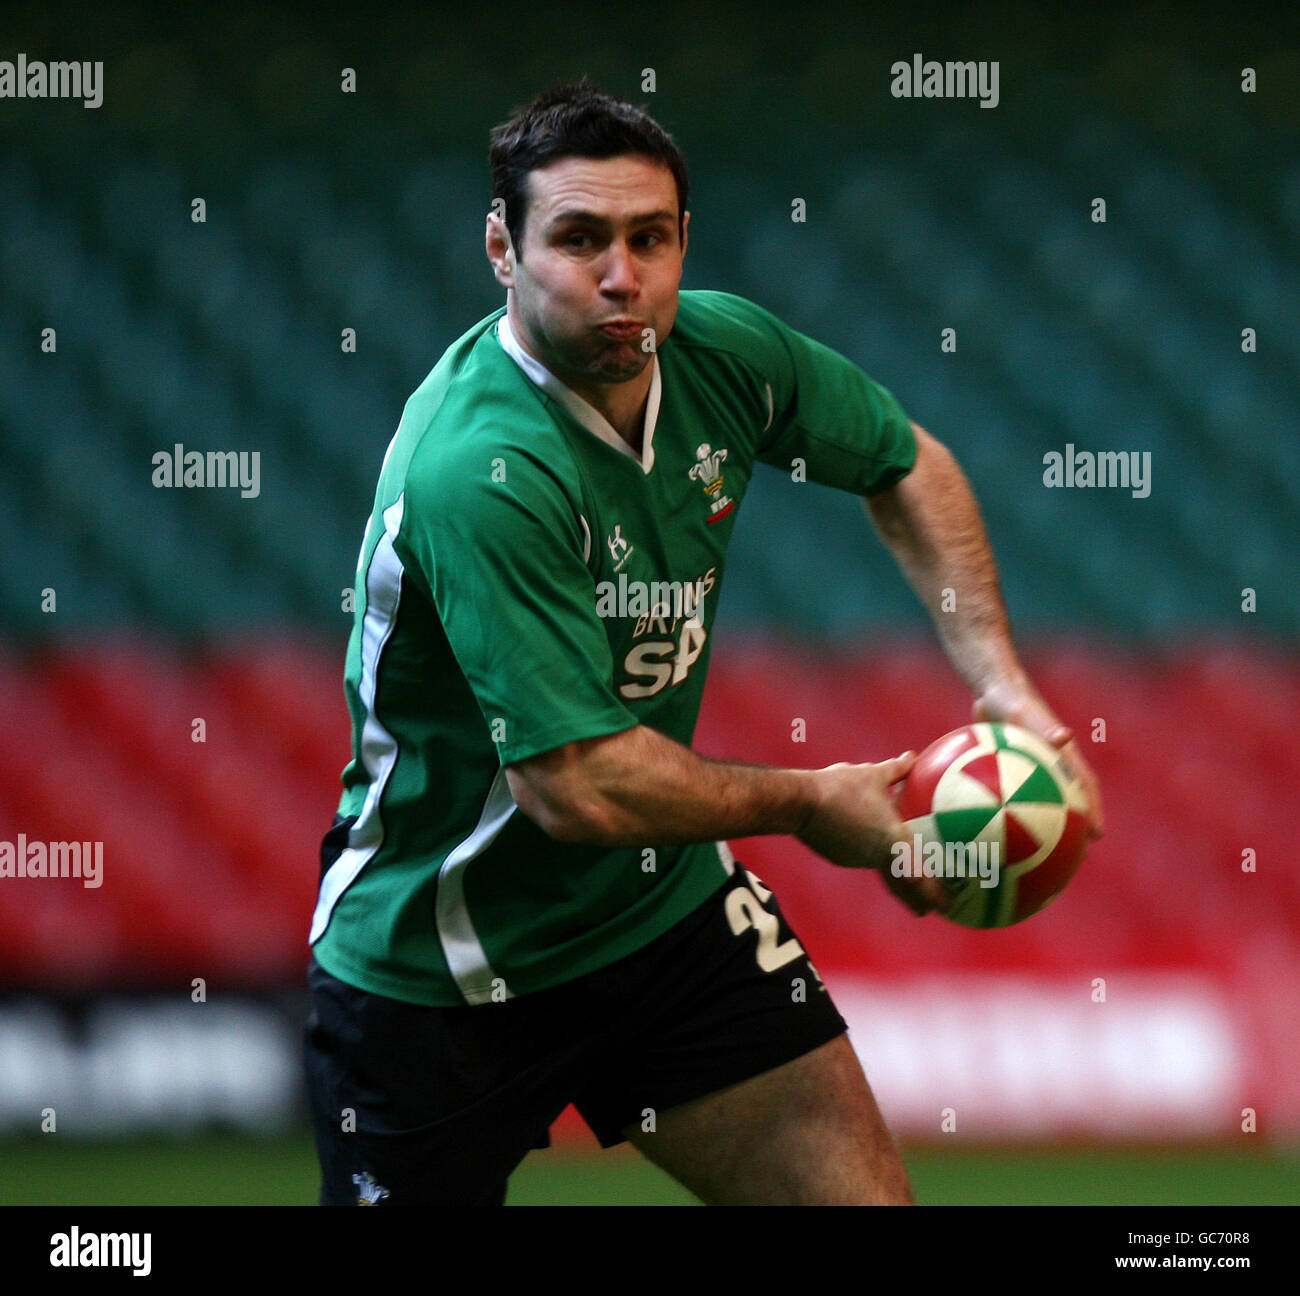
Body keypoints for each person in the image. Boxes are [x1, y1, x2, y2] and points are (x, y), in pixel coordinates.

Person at [303, 79, 1103, 1207]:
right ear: (501, 247)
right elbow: (574, 789)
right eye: (579, 238)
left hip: (655, 919)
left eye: (649, 237)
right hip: (439, 970)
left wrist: (1004, 688)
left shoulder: (725, 355)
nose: (621, 275)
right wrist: (810, 804)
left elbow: (905, 464)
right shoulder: (478, 471)